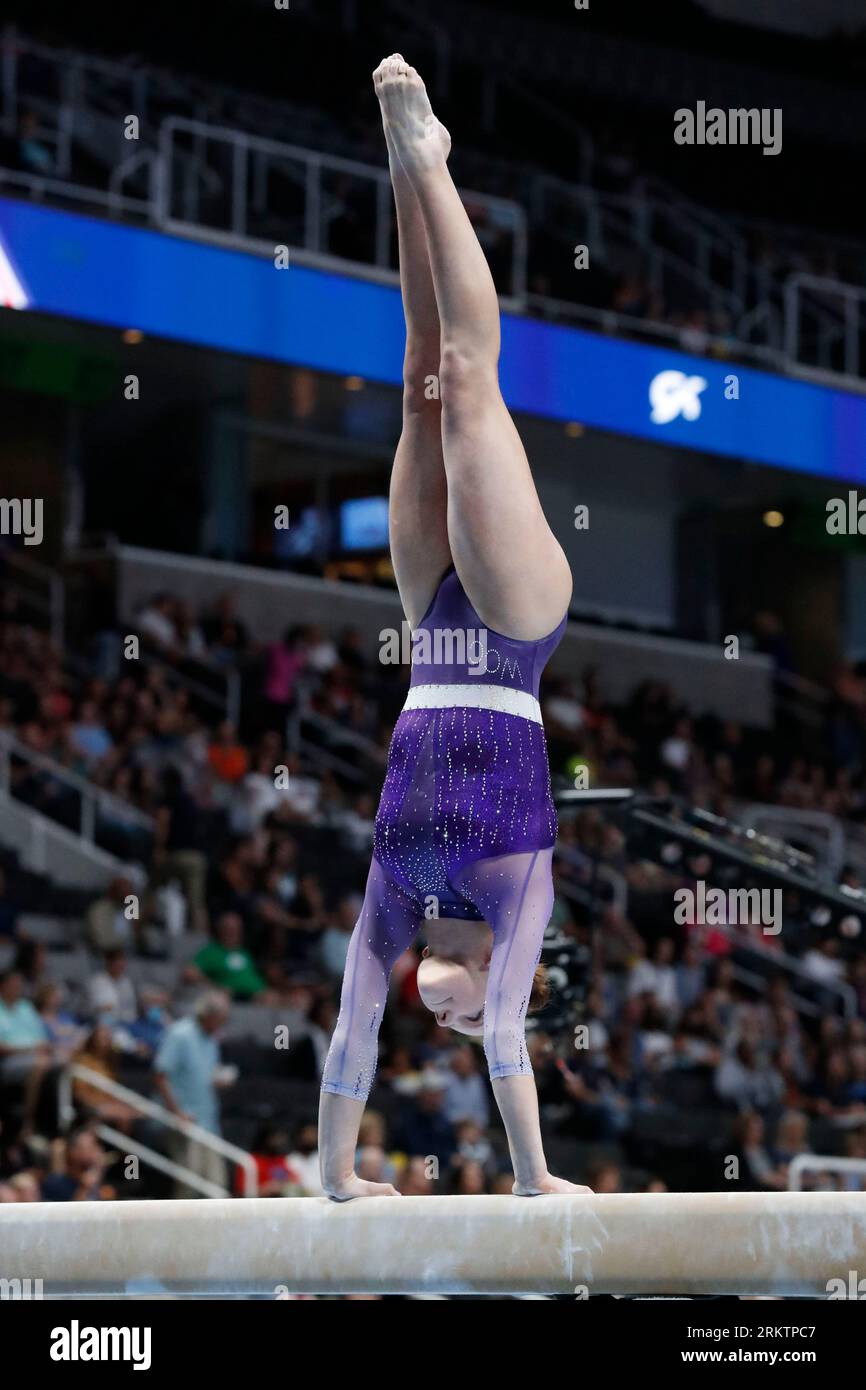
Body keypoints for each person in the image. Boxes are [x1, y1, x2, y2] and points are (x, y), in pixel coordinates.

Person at [318, 57, 588, 1201]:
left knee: (424, 377)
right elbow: (508, 1041)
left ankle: (400, 159)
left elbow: (349, 1039)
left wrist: (335, 1183)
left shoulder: (394, 900)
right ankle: (428, 164)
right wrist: (533, 1184)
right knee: (467, 383)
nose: (454, 1016)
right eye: (467, 1008)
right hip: (514, 631)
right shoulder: (520, 887)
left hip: (431, 627)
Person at [152, 991, 231, 1195]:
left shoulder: (212, 1039)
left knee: (217, 1186)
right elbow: (160, 1075)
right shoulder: (180, 1033)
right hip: (186, 1121)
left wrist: (218, 1080)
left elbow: (205, 1073)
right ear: (208, 1015)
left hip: (208, 1121)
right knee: (190, 1184)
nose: (222, 1024)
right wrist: (177, 1112)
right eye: (220, 1019)